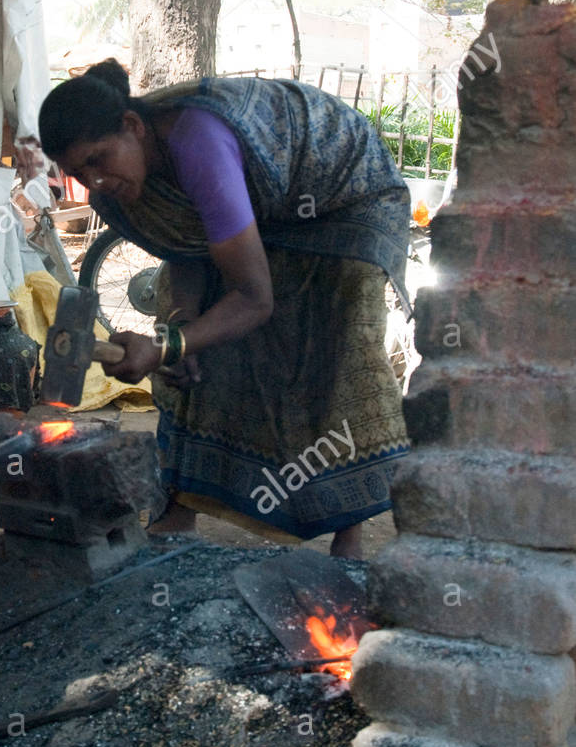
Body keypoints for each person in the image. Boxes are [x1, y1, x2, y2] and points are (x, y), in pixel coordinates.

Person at [38, 60, 412, 558]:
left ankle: (350, 538)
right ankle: (176, 513)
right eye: (79, 172)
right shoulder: (122, 187)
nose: (95, 180)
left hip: (342, 201)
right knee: (198, 351)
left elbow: (255, 299)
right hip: (264, 209)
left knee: (335, 351)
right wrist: (180, 329)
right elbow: (187, 246)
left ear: (131, 126)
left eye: (99, 159)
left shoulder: (200, 143)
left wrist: (166, 345)